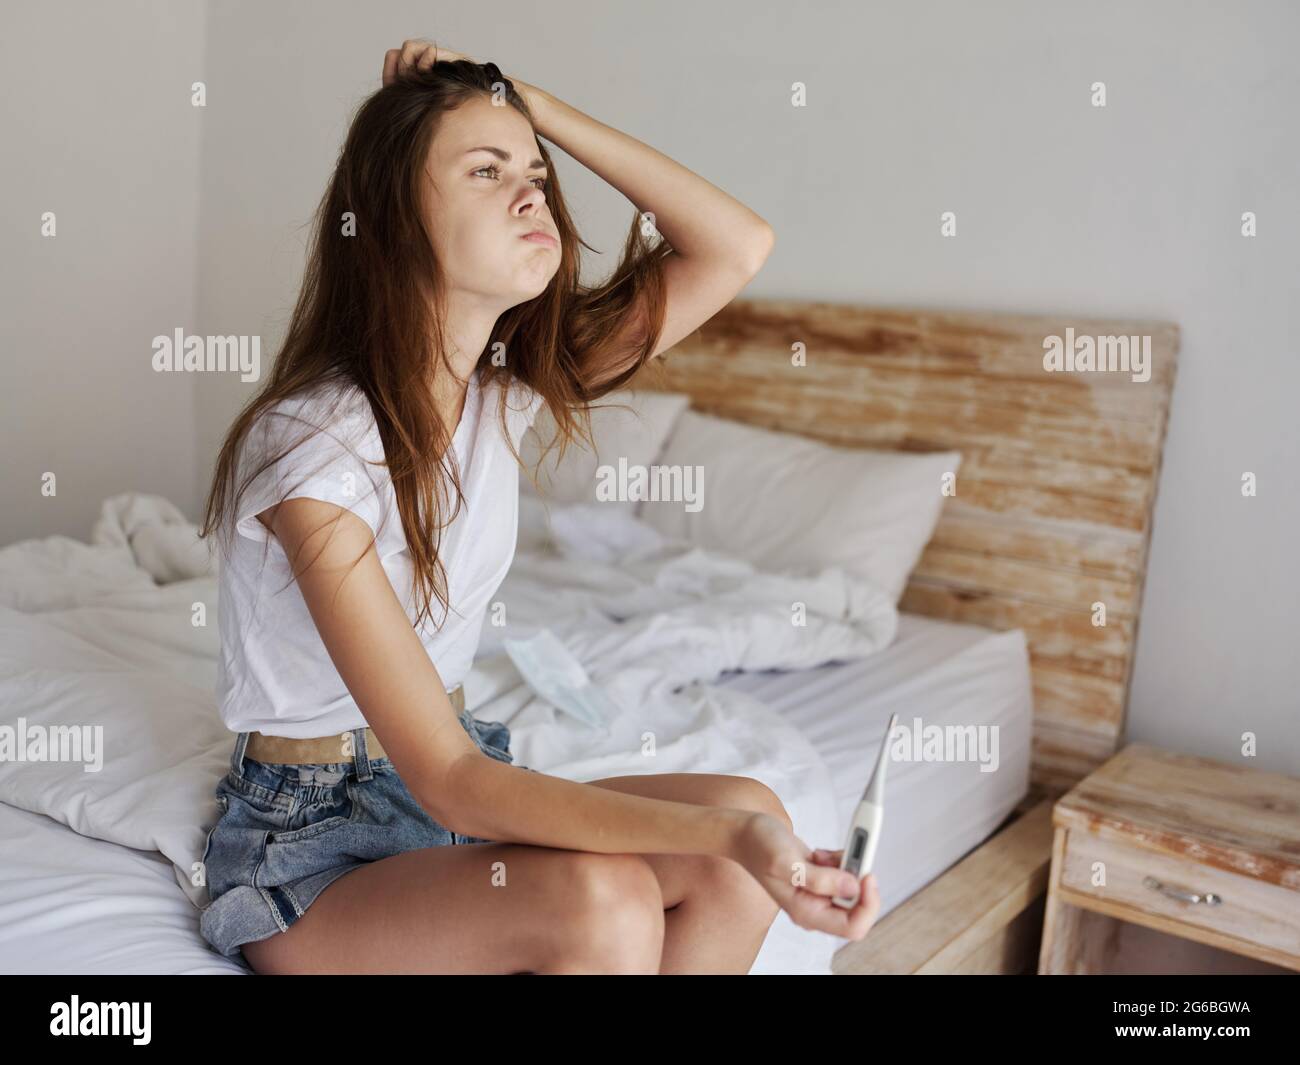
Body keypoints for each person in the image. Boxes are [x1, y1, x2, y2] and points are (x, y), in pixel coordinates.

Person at [196, 38, 880, 975]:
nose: (531, 194)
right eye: (487, 171)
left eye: (537, 173)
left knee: (752, 817)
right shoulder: (312, 445)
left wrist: (529, 107)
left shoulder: (502, 391)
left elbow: (735, 245)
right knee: (614, 896)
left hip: (444, 792)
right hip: (311, 844)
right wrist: (724, 835)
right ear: (396, 217)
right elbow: (452, 779)